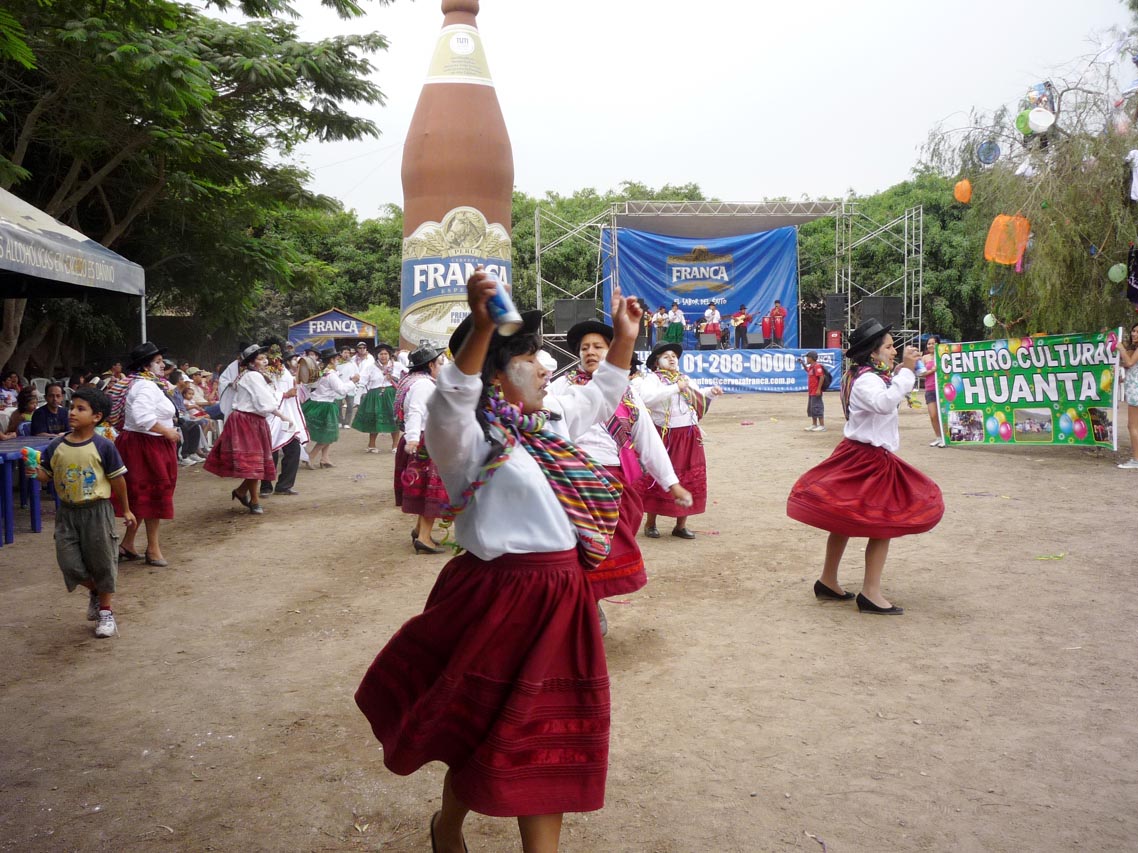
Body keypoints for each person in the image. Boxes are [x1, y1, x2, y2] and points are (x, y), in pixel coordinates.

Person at [355, 269, 642, 853]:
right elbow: (454, 394)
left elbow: (602, 392)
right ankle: (448, 826)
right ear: (492, 373)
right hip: (497, 599)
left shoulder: (549, 425)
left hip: (562, 600)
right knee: (486, 732)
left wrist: (625, 338)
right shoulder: (465, 439)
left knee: (541, 741)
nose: (545, 368)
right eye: (529, 358)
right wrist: (484, 326)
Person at [786, 318, 945, 614]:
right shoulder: (868, 379)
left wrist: (901, 372)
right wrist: (907, 372)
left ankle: (828, 581)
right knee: (882, 523)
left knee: (843, 518)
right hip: (867, 458)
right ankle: (870, 592)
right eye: (888, 347)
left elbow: (887, 396)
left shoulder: (870, 375)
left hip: (863, 455)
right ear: (873, 353)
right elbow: (885, 403)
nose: (894, 351)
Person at [549, 320, 692, 635]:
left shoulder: (626, 394)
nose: (590, 352)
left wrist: (671, 482)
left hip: (615, 482)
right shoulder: (560, 388)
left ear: (611, 351)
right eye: (585, 347)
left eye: (598, 346)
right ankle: (588, 607)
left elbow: (646, 439)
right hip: (573, 480)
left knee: (609, 547)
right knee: (578, 549)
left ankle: (591, 600)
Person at [30, 387, 135, 639]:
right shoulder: (57, 445)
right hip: (67, 513)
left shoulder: (103, 446)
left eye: (80, 408)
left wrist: (127, 509)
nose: (72, 412)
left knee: (103, 562)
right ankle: (97, 592)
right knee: (70, 564)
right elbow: (48, 474)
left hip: (97, 511)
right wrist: (36, 472)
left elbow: (118, 479)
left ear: (96, 416)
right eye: (72, 407)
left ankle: (106, 612)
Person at [638, 342, 722, 540]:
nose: (672, 358)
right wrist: (675, 388)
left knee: (688, 477)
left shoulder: (684, 379)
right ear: (656, 362)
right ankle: (650, 523)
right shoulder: (651, 380)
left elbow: (696, 397)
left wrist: (711, 392)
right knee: (658, 475)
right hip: (664, 435)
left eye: (674, 355)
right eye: (666, 356)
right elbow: (647, 399)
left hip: (688, 435)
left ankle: (681, 524)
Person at [112, 342, 180, 567]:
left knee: (143, 497)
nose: (162, 366)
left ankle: (128, 544)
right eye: (158, 362)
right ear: (145, 366)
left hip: (146, 444)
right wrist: (167, 431)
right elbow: (143, 417)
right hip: (146, 446)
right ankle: (153, 549)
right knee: (153, 496)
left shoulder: (148, 384)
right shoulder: (145, 387)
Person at [204, 344, 293, 514]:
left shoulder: (254, 376)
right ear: (251, 363)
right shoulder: (253, 377)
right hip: (246, 421)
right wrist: (280, 411)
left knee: (256, 463)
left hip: (253, 420)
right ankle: (252, 499)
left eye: (264, 358)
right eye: (260, 359)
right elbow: (264, 402)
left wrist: (282, 416)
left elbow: (265, 402)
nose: (265, 361)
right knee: (254, 463)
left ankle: (246, 495)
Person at [393, 345, 447, 554]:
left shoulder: (410, 381)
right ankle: (424, 537)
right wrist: (414, 439)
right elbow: (415, 411)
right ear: (431, 365)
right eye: (439, 363)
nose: (441, 368)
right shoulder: (424, 385)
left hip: (421, 438)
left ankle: (419, 530)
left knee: (426, 489)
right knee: (431, 490)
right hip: (426, 440)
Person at [259, 351, 308, 496]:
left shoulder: (285, 372)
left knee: (293, 449)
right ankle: (265, 487)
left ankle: (284, 486)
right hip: (271, 415)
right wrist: (284, 395)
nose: (271, 361)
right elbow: (264, 394)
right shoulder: (261, 374)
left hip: (287, 415)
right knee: (270, 451)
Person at [300, 350, 357, 468]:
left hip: (314, 403)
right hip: (325, 406)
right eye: (336, 358)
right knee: (329, 434)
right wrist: (353, 382)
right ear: (332, 360)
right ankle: (311, 456)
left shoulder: (318, 371)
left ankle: (325, 458)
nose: (337, 361)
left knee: (326, 432)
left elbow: (307, 386)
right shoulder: (330, 374)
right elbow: (341, 390)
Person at [352, 343, 405, 452]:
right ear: (377, 355)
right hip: (374, 395)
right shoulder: (371, 367)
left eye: (385, 354)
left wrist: (394, 378)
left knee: (394, 420)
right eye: (381, 354)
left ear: (389, 355)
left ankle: (395, 446)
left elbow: (406, 377)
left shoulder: (397, 366)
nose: (383, 356)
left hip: (391, 394)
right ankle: (372, 445)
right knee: (374, 419)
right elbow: (362, 381)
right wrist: (357, 397)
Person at [1119, 323, 1138, 468]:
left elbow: (1130, 363)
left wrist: (1120, 348)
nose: (1134, 334)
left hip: (1135, 392)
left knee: (1132, 426)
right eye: (1133, 331)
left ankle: (1136, 460)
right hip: (1133, 388)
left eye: (1137, 332)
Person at [922, 336, 945, 447]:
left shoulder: (943, 355)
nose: (930, 345)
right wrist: (932, 370)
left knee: (943, 414)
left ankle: (946, 438)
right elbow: (920, 373)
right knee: (933, 415)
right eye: (929, 343)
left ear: (938, 344)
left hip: (942, 389)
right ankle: (938, 437)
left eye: (933, 343)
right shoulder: (925, 357)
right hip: (930, 389)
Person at [801, 351, 826, 431]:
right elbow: (807, 370)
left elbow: (821, 377)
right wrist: (802, 363)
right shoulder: (811, 367)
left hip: (816, 391)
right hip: (811, 391)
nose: (807, 359)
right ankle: (814, 424)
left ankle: (822, 426)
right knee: (812, 408)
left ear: (811, 358)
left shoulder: (817, 366)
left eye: (808, 357)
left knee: (817, 407)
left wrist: (818, 389)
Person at [337, 345, 361, 428]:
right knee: (338, 406)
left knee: (350, 406)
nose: (347, 354)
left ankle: (347, 422)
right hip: (339, 387)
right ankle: (339, 421)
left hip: (350, 387)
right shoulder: (337, 364)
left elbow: (357, 374)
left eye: (348, 353)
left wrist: (355, 379)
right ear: (341, 353)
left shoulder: (352, 363)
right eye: (345, 352)